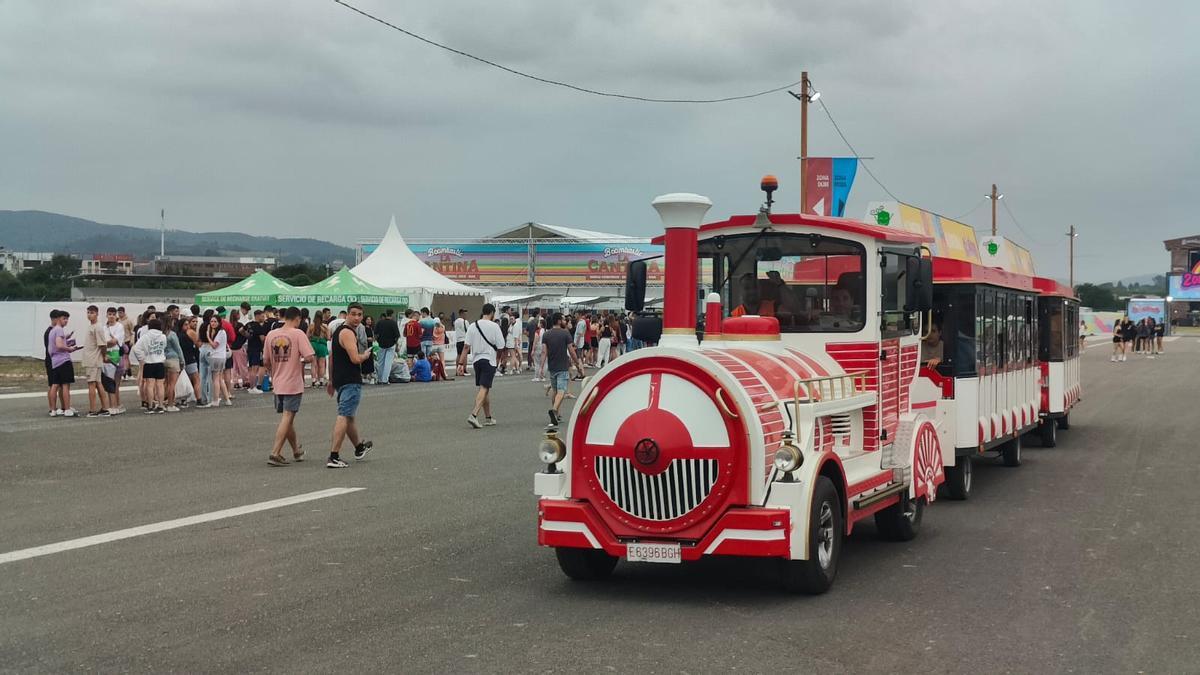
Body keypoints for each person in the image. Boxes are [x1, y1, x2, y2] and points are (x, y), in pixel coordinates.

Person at [263, 307, 315, 466]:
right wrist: (299, 360)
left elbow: (266, 360)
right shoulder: (298, 334)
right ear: (298, 319)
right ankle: (275, 452)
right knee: (288, 416)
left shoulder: (271, 335)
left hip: (277, 381)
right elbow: (310, 356)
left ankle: (296, 450)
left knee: (288, 419)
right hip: (292, 382)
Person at [326, 303, 374, 468]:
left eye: (359, 314)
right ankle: (334, 455)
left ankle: (359, 448)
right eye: (353, 314)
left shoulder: (338, 331)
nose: (356, 318)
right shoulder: (347, 333)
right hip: (350, 379)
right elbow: (355, 359)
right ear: (346, 314)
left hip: (340, 378)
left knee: (349, 416)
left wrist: (331, 380)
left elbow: (332, 358)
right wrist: (365, 355)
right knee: (344, 415)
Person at [464, 303, 504, 429]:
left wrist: (460, 363)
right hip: (489, 359)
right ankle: (474, 414)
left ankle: (488, 417)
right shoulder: (494, 326)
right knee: (484, 388)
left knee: (484, 388)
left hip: (476, 360)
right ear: (492, 313)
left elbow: (466, 346)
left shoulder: (472, 325)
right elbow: (501, 346)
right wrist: (498, 359)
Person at [542, 312, 579, 427]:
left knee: (555, 390)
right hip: (563, 365)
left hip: (552, 366)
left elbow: (544, 351)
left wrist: (542, 367)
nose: (565, 321)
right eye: (563, 319)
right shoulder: (565, 334)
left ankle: (557, 414)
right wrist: (577, 363)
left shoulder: (546, 334)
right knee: (561, 391)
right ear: (558, 321)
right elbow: (571, 350)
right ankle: (554, 410)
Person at [82, 305, 115, 417]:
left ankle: (92, 410)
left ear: (97, 314)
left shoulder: (98, 327)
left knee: (91, 384)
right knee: (98, 383)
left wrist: (105, 356)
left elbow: (102, 345)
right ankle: (105, 408)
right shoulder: (91, 326)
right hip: (91, 359)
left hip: (93, 360)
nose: (89, 315)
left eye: (92, 312)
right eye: (88, 312)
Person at [47, 310, 80, 417]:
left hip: (55, 362)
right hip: (64, 360)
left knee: (55, 385)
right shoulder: (59, 330)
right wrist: (69, 349)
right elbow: (59, 345)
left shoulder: (52, 331)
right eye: (64, 318)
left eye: (67, 319)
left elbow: (52, 346)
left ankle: (52, 410)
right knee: (66, 385)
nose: (66, 321)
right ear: (58, 319)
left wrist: (66, 337)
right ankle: (67, 409)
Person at [133, 317, 168, 413]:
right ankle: (161, 405)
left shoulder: (145, 337)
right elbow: (164, 347)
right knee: (160, 385)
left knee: (150, 385)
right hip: (160, 362)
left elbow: (136, 348)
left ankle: (150, 406)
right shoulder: (163, 336)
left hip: (149, 362)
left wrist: (142, 358)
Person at [203, 314, 233, 407]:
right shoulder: (219, 332)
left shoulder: (220, 332)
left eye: (215, 321)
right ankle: (227, 399)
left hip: (216, 357)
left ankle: (215, 400)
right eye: (211, 321)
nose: (213, 323)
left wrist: (208, 336)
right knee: (220, 379)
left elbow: (214, 345)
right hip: (221, 357)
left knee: (215, 378)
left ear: (219, 322)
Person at [162, 316, 184, 411]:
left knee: (166, 383)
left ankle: (164, 401)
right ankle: (171, 404)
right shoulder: (172, 334)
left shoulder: (161, 335)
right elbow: (178, 348)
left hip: (164, 358)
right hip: (173, 359)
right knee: (172, 384)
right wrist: (182, 360)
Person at [244, 309, 268, 392]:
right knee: (255, 369)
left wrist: (248, 336)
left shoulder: (249, 324)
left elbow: (241, 330)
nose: (264, 318)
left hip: (250, 348)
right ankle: (253, 387)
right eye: (262, 316)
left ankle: (251, 387)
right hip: (256, 349)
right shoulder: (258, 326)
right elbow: (262, 339)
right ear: (257, 316)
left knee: (251, 369)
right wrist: (267, 338)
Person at [374, 309, 400, 384]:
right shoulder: (393, 323)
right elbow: (397, 335)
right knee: (388, 362)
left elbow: (376, 334)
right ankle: (385, 380)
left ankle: (379, 379)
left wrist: (378, 340)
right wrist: (395, 343)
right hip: (391, 345)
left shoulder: (380, 322)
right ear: (392, 314)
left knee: (380, 362)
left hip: (381, 344)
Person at [180, 314, 202, 404]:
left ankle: (185, 399)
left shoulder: (179, 334)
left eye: (196, 321)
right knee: (196, 379)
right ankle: (199, 399)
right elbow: (198, 344)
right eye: (193, 322)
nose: (195, 323)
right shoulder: (190, 333)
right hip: (190, 358)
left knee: (187, 379)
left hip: (185, 358)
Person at [308, 311, 330, 387]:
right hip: (322, 345)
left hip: (313, 345)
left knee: (313, 365)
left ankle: (314, 381)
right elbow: (328, 337)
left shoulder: (311, 326)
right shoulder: (325, 326)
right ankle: (321, 381)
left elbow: (307, 336)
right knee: (322, 365)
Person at [454, 309, 469, 375]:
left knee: (459, 355)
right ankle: (464, 369)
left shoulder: (456, 321)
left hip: (458, 340)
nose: (466, 315)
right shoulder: (465, 321)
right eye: (465, 314)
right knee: (465, 355)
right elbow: (468, 330)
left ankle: (458, 369)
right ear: (462, 314)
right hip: (464, 339)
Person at [531, 317, 546, 382]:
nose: (538, 324)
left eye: (539, 322)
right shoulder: (546, 331)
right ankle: (543, 376)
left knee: (537, 362)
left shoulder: (537, 331)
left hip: (538, 347)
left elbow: (535, 341)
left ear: (541, 324)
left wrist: (533, 350)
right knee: (544, 363)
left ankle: (537, 376)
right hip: (544, 347)